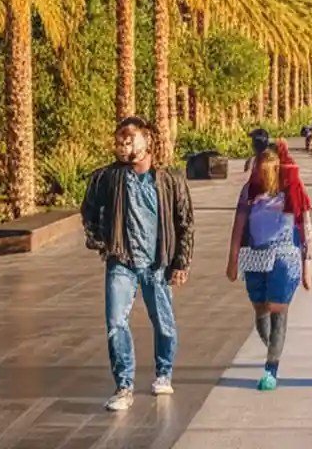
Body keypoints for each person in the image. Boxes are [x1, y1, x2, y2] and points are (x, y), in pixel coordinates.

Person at [80, 116, 194, 412]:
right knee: (116, 323)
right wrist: (100, 242)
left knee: (164, 324)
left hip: (157, 264)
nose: (122, 146)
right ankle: (123, 386)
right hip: (122, 262)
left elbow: (185, 223)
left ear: (147, 140)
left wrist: (181, 262)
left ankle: (164, 372)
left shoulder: (169, 180)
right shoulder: (108, 178)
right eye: (119, 141)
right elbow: (89, 210)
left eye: (129, 140)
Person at [227, 141, 312, 391]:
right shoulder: (250, 192)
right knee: (260, 311)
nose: (263, 175)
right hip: (254, 255)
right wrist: (232, 260)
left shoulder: (292, 192)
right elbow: (238, 226)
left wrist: (309, 264)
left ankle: (270, 368)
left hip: (284, 257)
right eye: (260, 170)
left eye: (268, 170)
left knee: (278, 310)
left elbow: (306, 227)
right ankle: (275, 348)